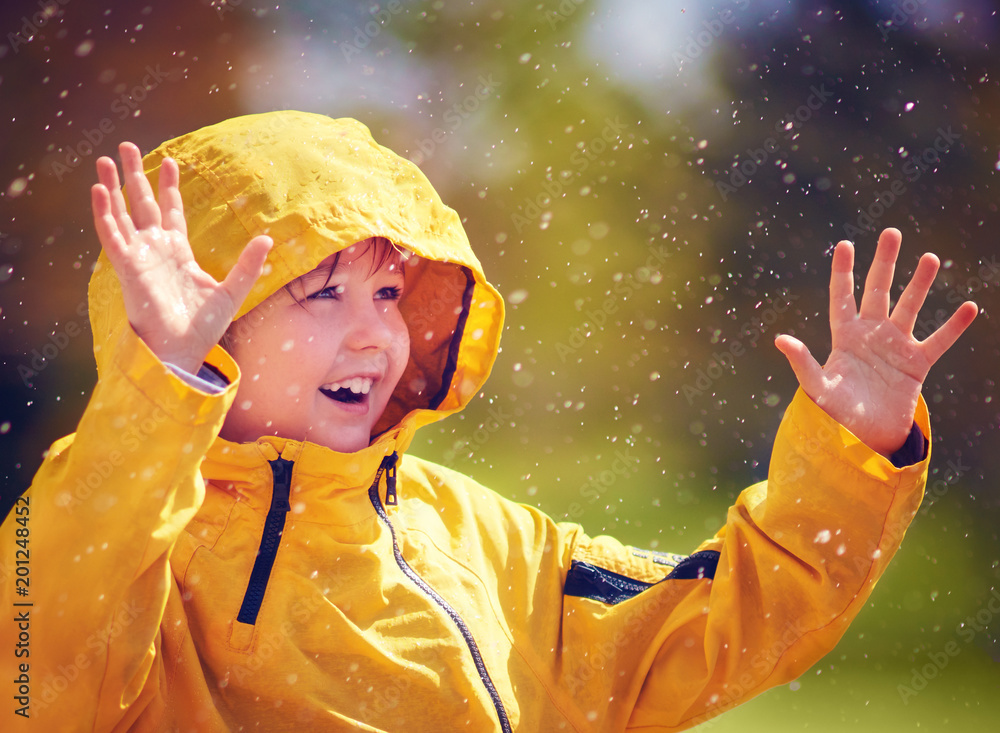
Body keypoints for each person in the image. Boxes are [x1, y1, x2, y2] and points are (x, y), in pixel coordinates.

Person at [0, 110, 977, 732]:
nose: (375, 334)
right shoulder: (129, 554)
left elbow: (714, 624)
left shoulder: (486, 539)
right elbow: (40, 672)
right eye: (321, 296)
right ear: (212, 326)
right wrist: (163, 384)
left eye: (388, 293)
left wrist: (852, 452)